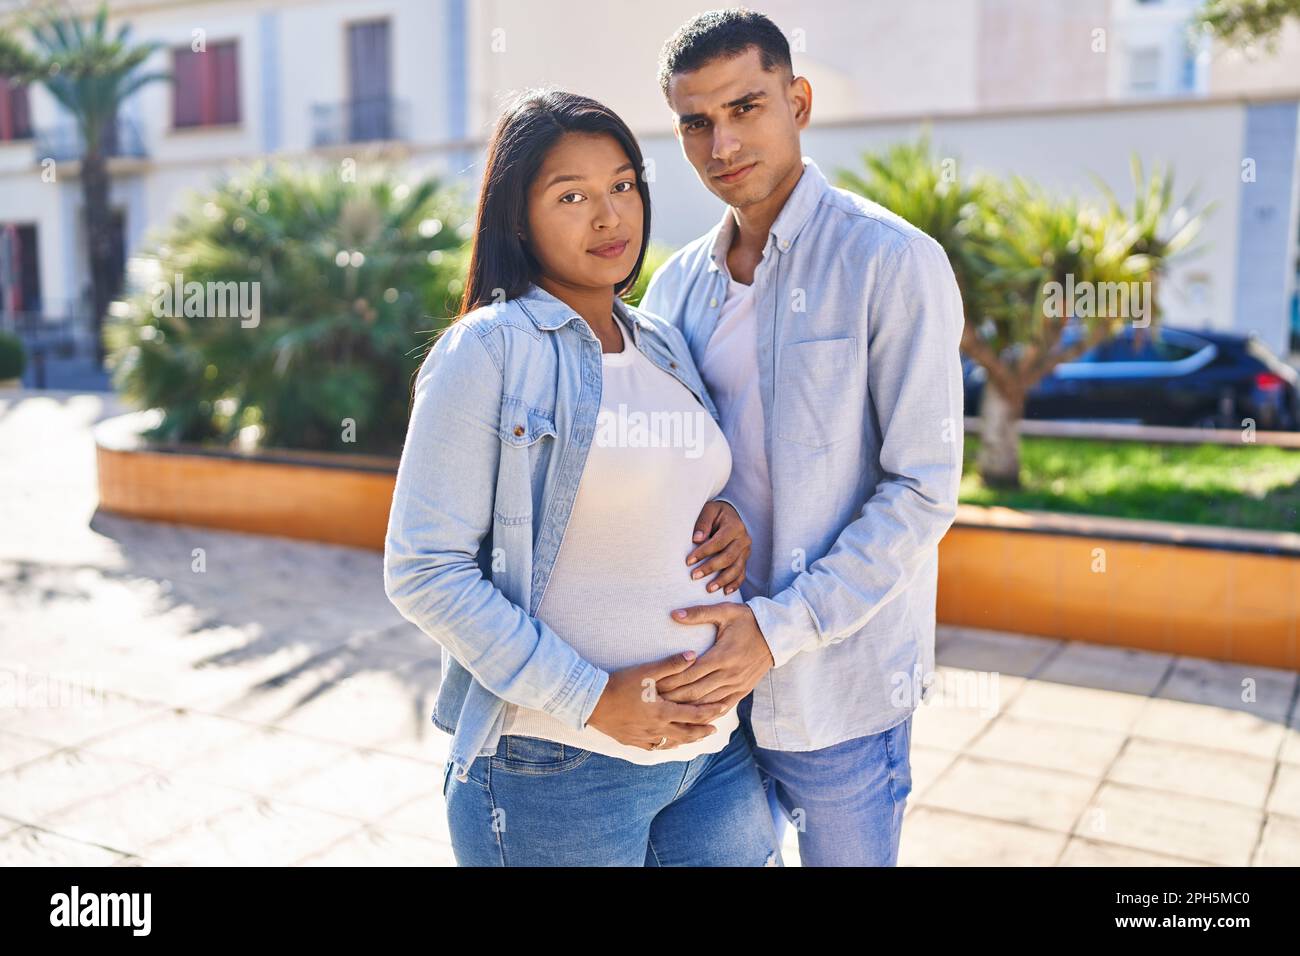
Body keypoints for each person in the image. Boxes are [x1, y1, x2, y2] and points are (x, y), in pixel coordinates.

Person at [383, 88, 781, 866]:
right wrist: (593, 699)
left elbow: (661, 481)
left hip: (712, 757)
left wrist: (725, 512)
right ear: (516, 217)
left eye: (623, 185)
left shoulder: (661, 342)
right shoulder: (489, 351)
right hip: (557, 767)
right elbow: (424, 569)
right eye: (572, 196)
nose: (610, 217)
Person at [641, 8, 966, 866]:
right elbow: (673, 463)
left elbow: (923, 487)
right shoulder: (675, 288)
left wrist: (779, 630)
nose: (722, 145)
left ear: (800, 102)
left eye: (746, 107)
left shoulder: (891, 261)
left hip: (839, 697)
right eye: (695, 123)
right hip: (706, 692)